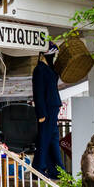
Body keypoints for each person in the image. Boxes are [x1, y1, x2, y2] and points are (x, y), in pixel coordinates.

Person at [32, 41, 64, 178]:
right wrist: (41, 113)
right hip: (46, 110)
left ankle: (56, 170)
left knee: (52, 140)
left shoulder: (49, 69)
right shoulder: (39, 69)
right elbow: (38, 93)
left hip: (53, 107)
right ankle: (38, 169)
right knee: (45, 140)